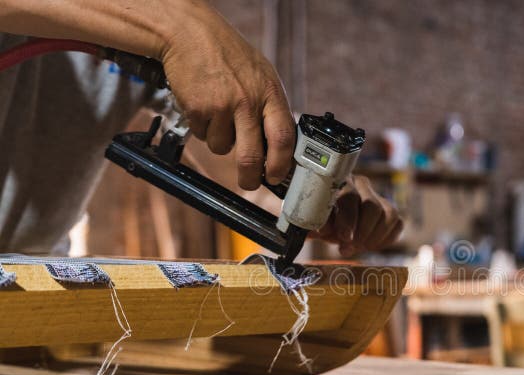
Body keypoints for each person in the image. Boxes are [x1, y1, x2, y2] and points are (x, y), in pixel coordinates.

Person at [0, 1, 402, 256]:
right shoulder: (166, 21)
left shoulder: (140, 34)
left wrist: (307, 187)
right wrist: (180, 24)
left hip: (34, 296)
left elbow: (229, 147)